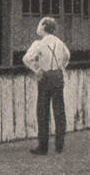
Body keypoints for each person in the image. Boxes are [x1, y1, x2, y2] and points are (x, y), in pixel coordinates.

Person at [23, 15, 70, 155]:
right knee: (59, 111)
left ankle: (43, 147)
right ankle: (59, 145)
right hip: (58, 76)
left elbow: (26, 59)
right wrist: (60, 67)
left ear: (44, 27)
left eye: (39, 24)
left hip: (45, 77)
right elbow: (67, 56)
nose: (38, 27)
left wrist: (36, 69)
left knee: (43, 111)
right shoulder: (60, 42)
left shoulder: (38, 43)